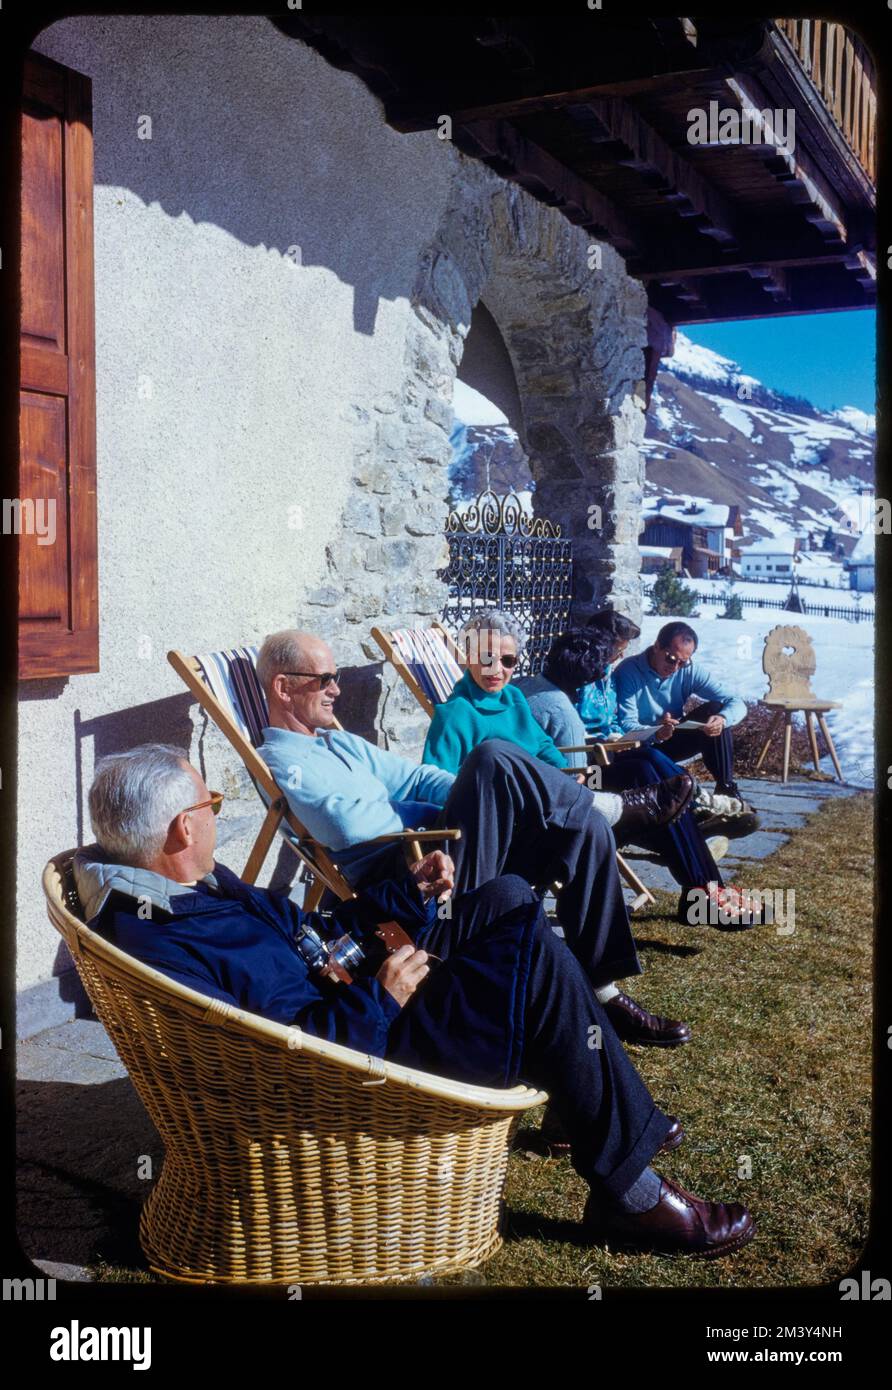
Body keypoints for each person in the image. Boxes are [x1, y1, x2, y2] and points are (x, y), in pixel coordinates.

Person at [74, 745, 755, 1257]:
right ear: (179, 831)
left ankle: (587, 1106)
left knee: (509, 895)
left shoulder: (208, 889)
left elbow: (313, 937)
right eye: (209, 806)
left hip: (357, 1006)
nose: (216, 816)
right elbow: (278, 1052)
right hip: (358, 1063)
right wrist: (382, 996)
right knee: (532, 948)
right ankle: (628, 1192)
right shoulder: (168, 936)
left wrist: (405, 895)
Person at [256, 629, 693, 1048]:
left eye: (337, 678)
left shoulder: (337, 742)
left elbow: (415, 776)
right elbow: (347, 827)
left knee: (582, 826)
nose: (336, 690)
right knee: (491, 756)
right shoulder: (282, 759)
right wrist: (439, 810)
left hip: (438, 848)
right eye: (325, 680)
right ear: (283, 687)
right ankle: (607, 806)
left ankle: (604, 991)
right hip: (409, 881)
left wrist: (480, 797)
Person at [520, 623, 766, 926]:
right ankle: (704, 874)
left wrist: (612, 742)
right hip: (575, 791)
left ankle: (702, 880)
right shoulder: (563, 711)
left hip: (589, 764)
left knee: (652, 770)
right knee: (653, 779)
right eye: (608, 660)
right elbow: (578, 779)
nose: (610, 668)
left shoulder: (528, 688)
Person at [612, 619, 751, 803]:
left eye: (683, 663)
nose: (675, 668)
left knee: (714, 709)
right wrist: (656, 732)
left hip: (671, 738)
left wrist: (723, 719)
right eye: (671, 659)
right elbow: (625, 724)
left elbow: (736, 701)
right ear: (657, 646)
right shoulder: (629, 671)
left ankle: (726, 789)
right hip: (639, 746)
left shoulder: (689, 671)